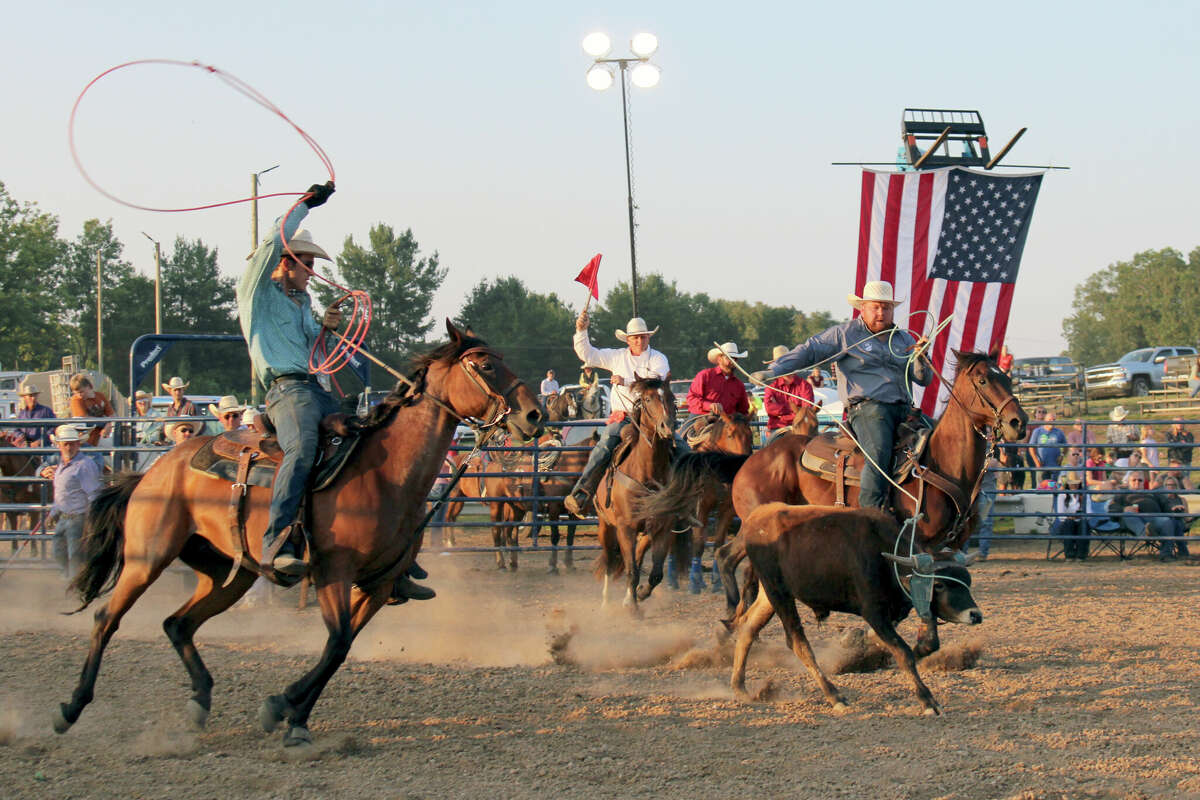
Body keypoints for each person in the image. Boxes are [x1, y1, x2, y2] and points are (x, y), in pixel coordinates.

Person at [751, 281, 931, 511]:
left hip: (905, 409)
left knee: (937, 440)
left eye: (886, 308)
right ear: (862, 308)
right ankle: (870, 514)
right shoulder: (845, 334)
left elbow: (923, 379)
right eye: (875, 307)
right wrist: (775, 370)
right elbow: (810, 350)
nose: (881, 313)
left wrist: (922, 358)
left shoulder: (904, 339)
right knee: (878, 453)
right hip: (869, 409)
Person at [563, 312, 670, 516]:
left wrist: (626, 381)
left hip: (652, 418)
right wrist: (581, 330)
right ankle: (582, 493)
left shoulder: (658, 358)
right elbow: (588, 355)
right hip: (625, 417)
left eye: (643, 336)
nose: (639, 340)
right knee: (603, 447)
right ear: (628, 339)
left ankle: (686, 496)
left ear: (649, 337)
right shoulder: (616, 356)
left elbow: (656, 380)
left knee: (680, 446)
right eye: (635, 337)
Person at [39, 425, 102, 578]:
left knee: (75, 555)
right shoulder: (62, 465)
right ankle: (70, 578)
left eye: (72, 443)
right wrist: (52, 513)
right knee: (58, 551)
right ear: (59, 445)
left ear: (78, 444)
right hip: (63, 516)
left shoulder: (84, 465)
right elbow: (61, 495)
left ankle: (74, 583)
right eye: (65, 444)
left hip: (79, 517)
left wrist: (92, 519)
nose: (69, 447)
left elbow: (94, 493)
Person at [1110, 472, 1176, 561]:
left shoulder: (1153, 493)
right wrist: (1124, 508)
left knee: (1167, 521)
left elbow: (1166, 505)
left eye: (1140, 480)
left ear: (1143, 482)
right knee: (1128, 514)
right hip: (1135, 519)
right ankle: (1146, 534)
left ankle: (1166, 554)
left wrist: (1173, 508)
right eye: (1134, 480)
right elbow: (1112, 507)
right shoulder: (1122, 494)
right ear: (1129, 482)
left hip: (1154, 519)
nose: (1137, 482)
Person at [686, 342, 750, 417]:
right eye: (729, 358)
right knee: (686, 428)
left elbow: (743, 410)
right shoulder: (705, 375)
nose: (733, 362)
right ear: (719, 359)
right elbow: (692, 399)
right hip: (702, 416)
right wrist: (709, 406)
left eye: (735, 359)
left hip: (728, 421)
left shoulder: (739, 385)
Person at [762, 345, 814, 433]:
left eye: (785, 362)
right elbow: (769, 409)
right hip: (777, 429)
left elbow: (806, 412)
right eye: (779, 363)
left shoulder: (804, 385)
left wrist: (781, 414)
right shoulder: (771, 385)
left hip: (799, 429)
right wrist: (795, 410)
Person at [68, 373, 114, 448]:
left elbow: (111, 415)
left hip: (102, 435)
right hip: (86, 439)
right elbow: (84, 419)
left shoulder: (100, 396)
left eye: (81, 391)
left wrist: (108, 424)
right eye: (77, 393)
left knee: (119, 444)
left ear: (89, 386)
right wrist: (105, 423)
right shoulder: (76, 400)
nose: (80, 395)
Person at [1052, 469, 1088, 561]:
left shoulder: (1084, 495)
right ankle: (1070, 555)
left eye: (1076, 483)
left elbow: (1090, 512)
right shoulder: (1062, 495)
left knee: (1083, 524)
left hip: (1080, 521)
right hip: (1068, 523)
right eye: (1072, 483)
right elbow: (1061, 516)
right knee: (1069, 523)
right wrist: (1070, 517)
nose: (1074, 485)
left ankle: (1080, 555)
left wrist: (1081, 516)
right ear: (1068, 484)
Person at [1155, 474, 1192, 560]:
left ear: (1177, 486)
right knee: (1174, 523)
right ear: (1164, 486)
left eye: (1173, 485)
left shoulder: (1182, 500)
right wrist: (1171, 510)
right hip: (1166, 524)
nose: (1170, 487)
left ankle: (1167, 554)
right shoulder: (1162, 500)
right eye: (1168, 485)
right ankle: (1183, 553)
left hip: (1180, 522)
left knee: (1176, 523)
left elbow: (1187, 518)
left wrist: (1188, 515)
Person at [8, 383, 56, 448]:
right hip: (26, 447)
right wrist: (23, 438)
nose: (33, 398)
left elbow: (53, 427)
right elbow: (16, 429)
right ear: (25, 398)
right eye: (30, 396)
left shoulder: (46, 411)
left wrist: (40, 440)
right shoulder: (22, 414)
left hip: (44, 447)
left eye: (35, 395)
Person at [1029, 412, 1068, 485]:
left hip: (1055, 465)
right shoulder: (1037, 431)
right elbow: (1031, 448)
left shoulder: (1059, 432)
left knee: (1054, 486)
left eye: (1054, 420)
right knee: (1041, 487)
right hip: (1041, 465)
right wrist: (1037, 461)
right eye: (1050, 419)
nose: (1052, 422)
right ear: (1045, 420)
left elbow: (1066, 446)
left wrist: (1062, 455)